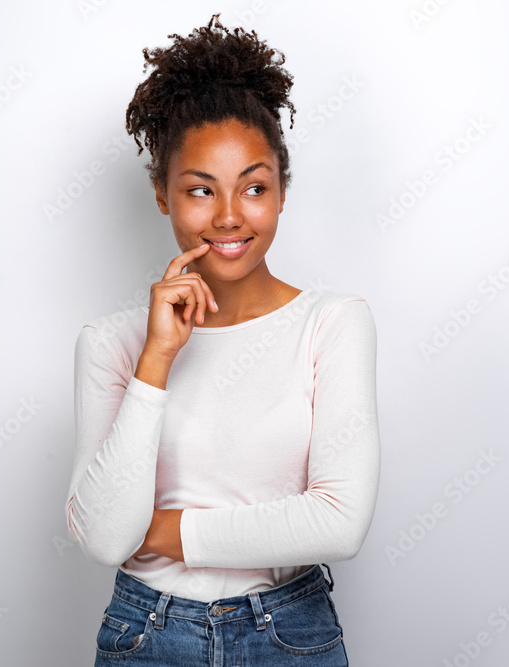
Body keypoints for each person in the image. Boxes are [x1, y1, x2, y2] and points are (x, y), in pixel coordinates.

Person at [64, 14, 380, 666]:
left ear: (282, 192)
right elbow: (101, 537)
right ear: (162, 196)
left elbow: (339, 521)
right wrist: (156, 360)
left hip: (290, 631)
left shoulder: (334, 322)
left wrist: (161, 529)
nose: (230, 216)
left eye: (254, 187)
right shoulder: (111, 343)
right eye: (201, 190)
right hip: (146, 634)